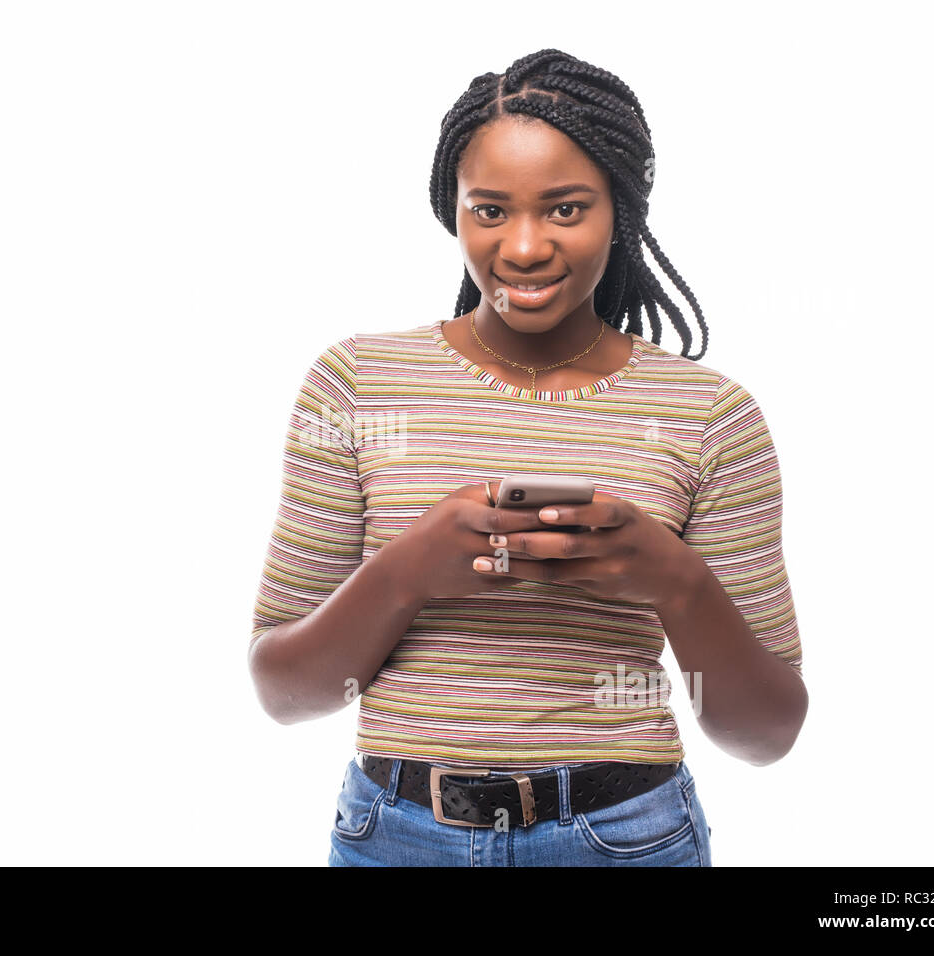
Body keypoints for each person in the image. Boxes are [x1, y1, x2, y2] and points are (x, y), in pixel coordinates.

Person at [248, 49, 807, 867]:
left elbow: (767, 733)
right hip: (396, 837)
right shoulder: (356, 385)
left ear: (622, 207)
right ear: (452, 210)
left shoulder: (710, 416)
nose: (523, 247)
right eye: (489, 209)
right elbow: (284, 693)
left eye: (565, 209)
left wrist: (669, 577)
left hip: (624, 839)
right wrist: (407, 571)